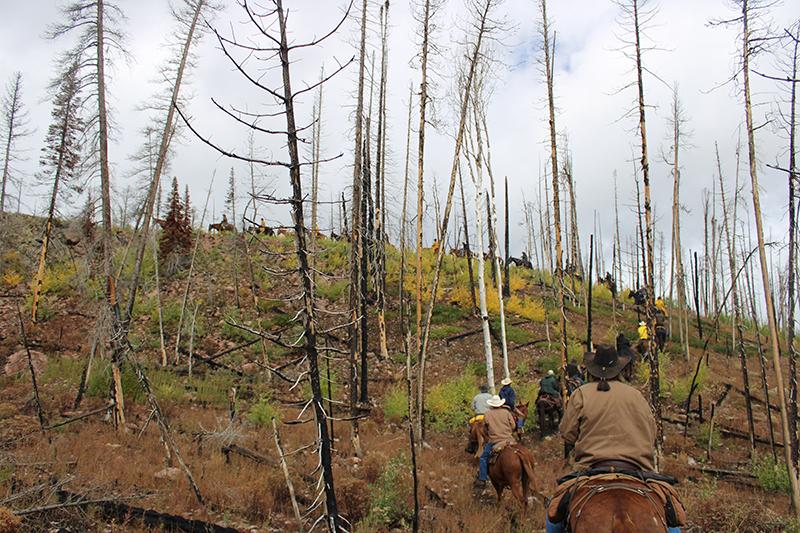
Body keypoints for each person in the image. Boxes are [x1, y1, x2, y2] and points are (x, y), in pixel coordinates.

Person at [545, 345, 681, 533]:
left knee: (553, 517)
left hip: (592, 468)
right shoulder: (636, 395)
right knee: (673, 520)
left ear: (592, 369)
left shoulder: (582, 394)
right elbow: (652, 433)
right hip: (636, 470)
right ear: (618, 369)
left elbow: (567, 433)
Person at [474, 395, 516, 489]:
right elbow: (513, 426)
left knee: (483, 458)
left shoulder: (487, 414)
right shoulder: (506, 412)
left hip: (495, 441)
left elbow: (484, 428)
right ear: (500, 404)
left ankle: (482, 478)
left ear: (492, 405)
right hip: (509, 440)